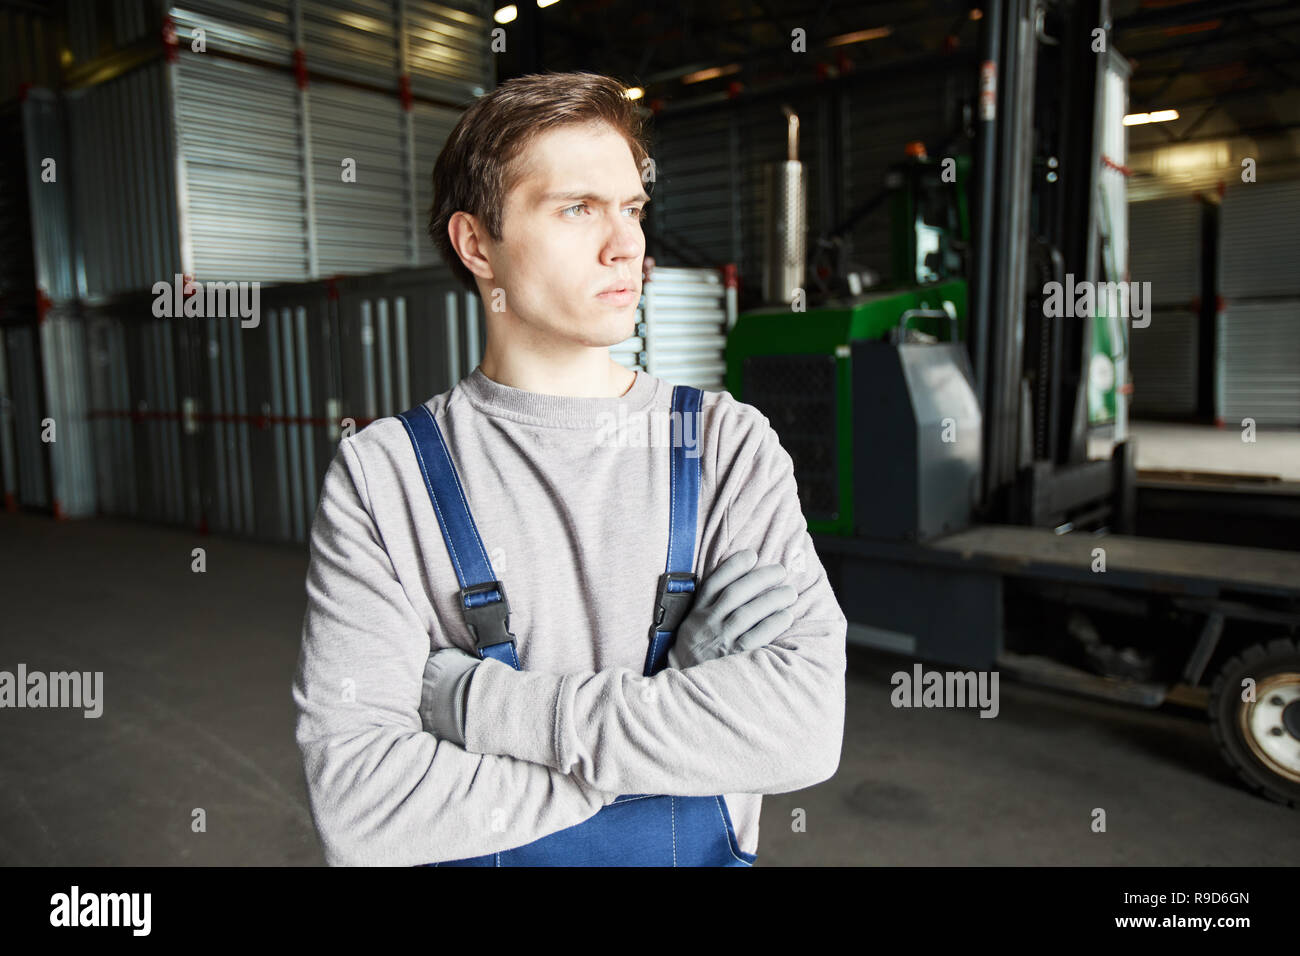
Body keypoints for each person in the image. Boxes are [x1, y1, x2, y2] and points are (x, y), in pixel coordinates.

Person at [292, 70, 847, 866]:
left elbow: (802, 730)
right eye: (577, 208)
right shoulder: (386, 479)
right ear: (476, 243)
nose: (627, 244)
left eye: (632, 208)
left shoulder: (727, 449)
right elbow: (362, 804)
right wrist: (668, 724)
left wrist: (482, 705)